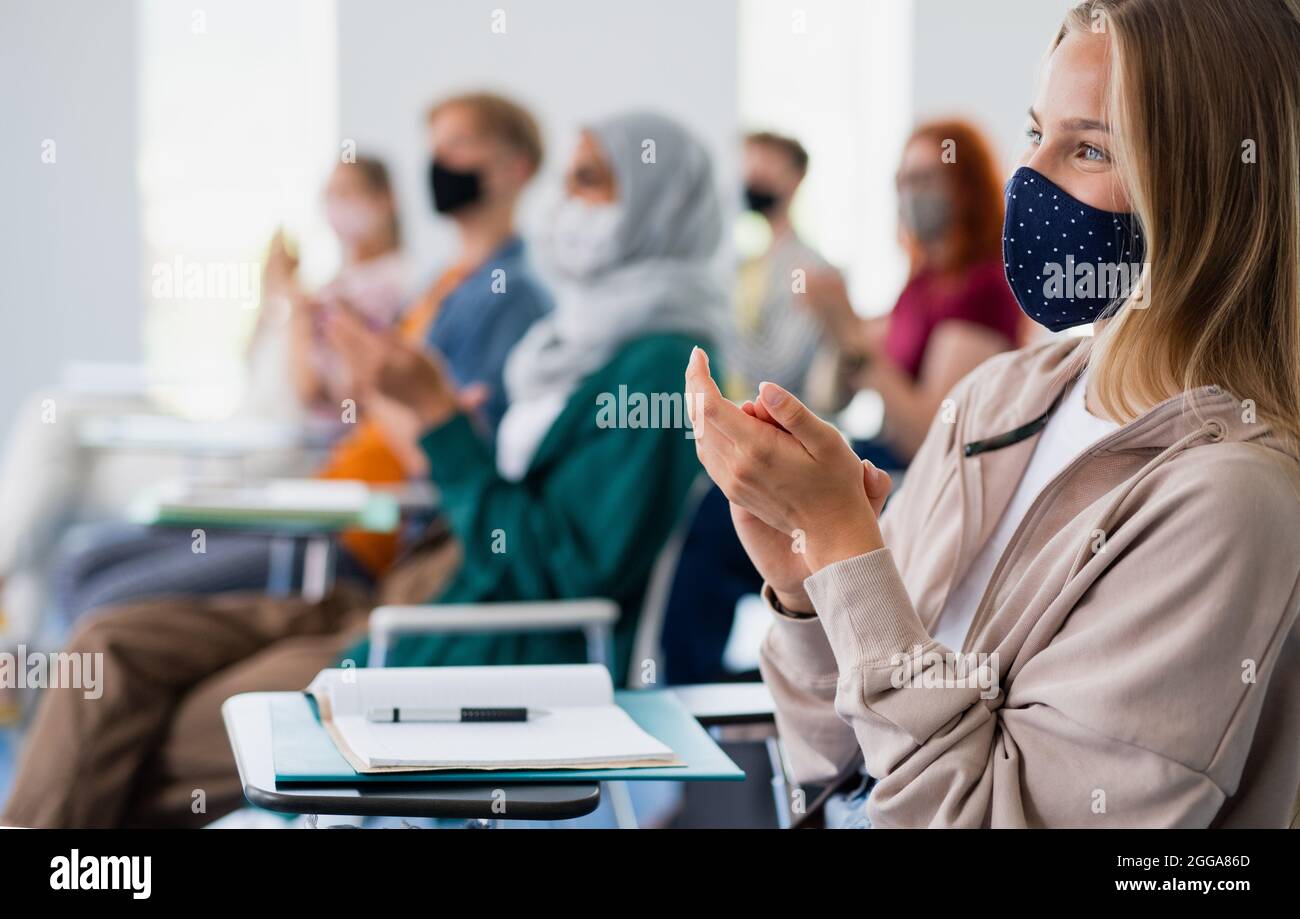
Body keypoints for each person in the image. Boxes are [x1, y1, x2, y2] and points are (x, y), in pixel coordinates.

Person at [0, 111, 725, 828]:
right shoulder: (578, 340)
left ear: (661, 205)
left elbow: (569, 568)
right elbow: (513, 498)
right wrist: (436, 423)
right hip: (408, 589)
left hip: (478, 639)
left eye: (590, 181)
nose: (565, 203)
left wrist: (442, 427)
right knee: (105, 645)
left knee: (135, 738)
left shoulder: (661, 367)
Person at [686, 0, 1300, 828]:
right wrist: (809, 584)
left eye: (1088, 148)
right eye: (1034, 131)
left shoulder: (1234, 499)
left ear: (1210, 191)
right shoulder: (1000, 398)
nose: (1030, 177)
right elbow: (830, 753)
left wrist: (842, 539)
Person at [51, 93, 555, 620]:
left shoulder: (509, 297)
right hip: (324, 498)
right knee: (83, 563)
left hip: (364, 533)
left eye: (460, 144)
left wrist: (373, 382)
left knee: (104, 598)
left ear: (516, 167)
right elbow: (374, 404)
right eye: (435, 146)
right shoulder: (441, 286)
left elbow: (444, 455)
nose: (439, 161)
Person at [0, 156, 410, 648]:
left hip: (272, 456)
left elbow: (326, 395)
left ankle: (15, 642)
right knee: (60, 417)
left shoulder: (391, 286)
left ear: (385, 200)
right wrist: (270, 297)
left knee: (60, 478)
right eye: (331, 194)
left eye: (350, 193)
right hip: (236, 430)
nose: (337, 208)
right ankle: (16, 643)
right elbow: (251, 366)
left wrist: (297, 310)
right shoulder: (331, 284)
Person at [804, 119, 1023, 469]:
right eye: (902, 182)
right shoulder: (920, 282)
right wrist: (837, 329)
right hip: (886, 461)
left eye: (924, 180)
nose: (910, 195)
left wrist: (853, 338)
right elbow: (827, 399)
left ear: (967, 187)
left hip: (926, 478)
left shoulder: (984, 287)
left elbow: (929, 438)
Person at [727, 131, 829, 399]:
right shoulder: (746, 263)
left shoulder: (808, 269)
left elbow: (780, 373)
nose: (753, 176)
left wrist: (713, 330)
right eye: (749, 165)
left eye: (767, 165)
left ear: (796, 179)